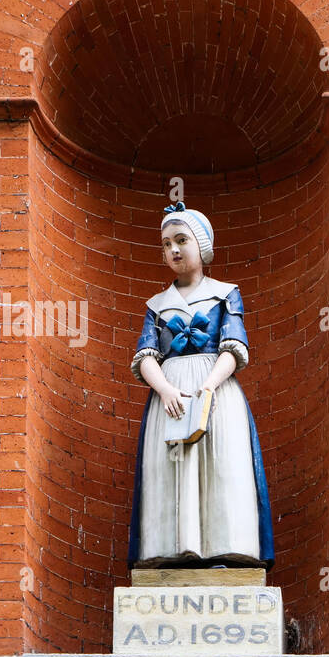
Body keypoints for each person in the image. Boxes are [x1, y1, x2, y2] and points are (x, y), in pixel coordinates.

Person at [127, 202, 275, 568]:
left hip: (216, 392)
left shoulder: (226, 293)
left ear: (202, 246)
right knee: (171, 468)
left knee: (222, 466)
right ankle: (172, 550)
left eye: (181, 240)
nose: (173, 250)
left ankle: (224, 548)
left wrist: (208, 386)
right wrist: (163, 389)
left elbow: (234, 348)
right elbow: (146, 355)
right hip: (172, 393)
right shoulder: (158, 304)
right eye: (165, 244)